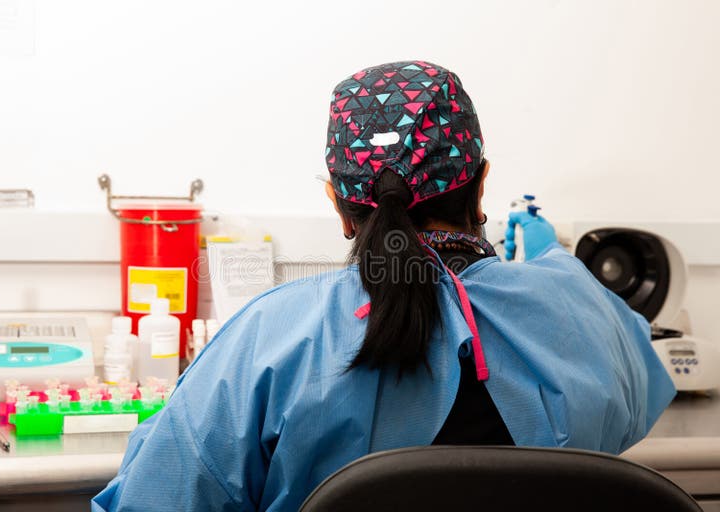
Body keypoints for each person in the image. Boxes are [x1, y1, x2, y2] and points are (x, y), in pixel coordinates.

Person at [92, 60, 675, 511]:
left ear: (341, 208)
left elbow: (157, 495)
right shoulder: (585, 311)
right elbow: (631, 406)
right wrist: (552, 264)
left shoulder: (269, 340)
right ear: (480, 186)